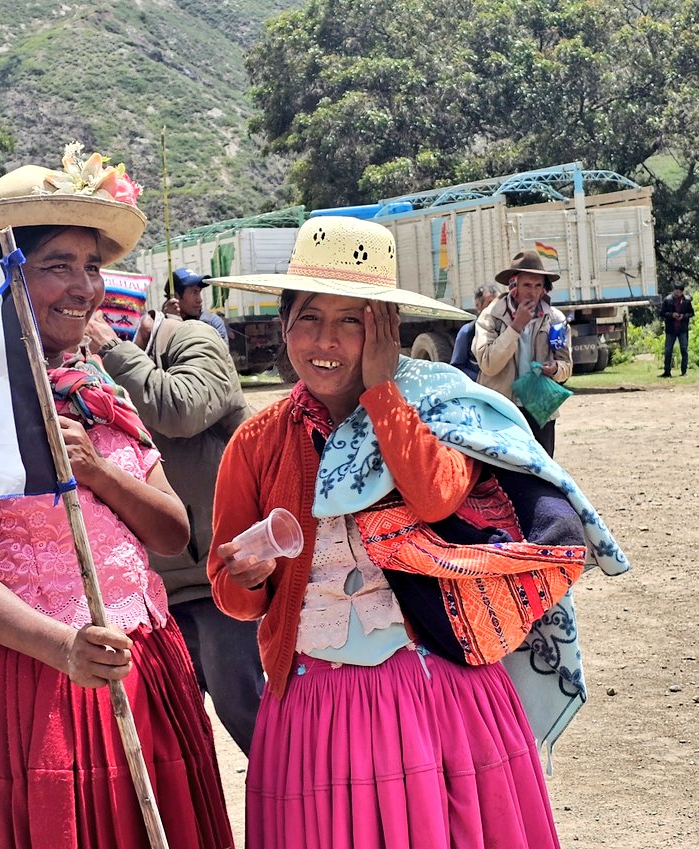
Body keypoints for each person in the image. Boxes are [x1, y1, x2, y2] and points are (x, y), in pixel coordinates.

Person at [205, 216, 628, 849]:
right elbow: (230, 589)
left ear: (384, 328)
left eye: (351, 320)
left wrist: (382, 394)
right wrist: (246, 577)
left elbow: (436, 496)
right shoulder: (259, 442)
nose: (326, 340)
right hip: (316, 705)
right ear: (284, 323)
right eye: (308, 318)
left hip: (438, 692)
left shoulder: (442, 407)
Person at [0, 147, 234, 849]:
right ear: (0, 278)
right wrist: (65, 648)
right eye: (56, 265)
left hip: (136, 666)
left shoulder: (99, 392)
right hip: (18, 685)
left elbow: (171, 533)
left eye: (91, 265)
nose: (84, 287)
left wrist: (98, 474)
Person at [85, 294, 265, 755]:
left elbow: (179, 411)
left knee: (243, 706)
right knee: (173, 728)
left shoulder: (193, 338)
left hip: (217, 576)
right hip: (158, 588)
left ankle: (294, 809)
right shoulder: (88, 372)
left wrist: (112, 350)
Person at [472, 249, 573, 456]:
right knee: (505, 476)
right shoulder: (491, 316)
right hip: (502, 409)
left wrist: (554, 369)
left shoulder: (555, 319)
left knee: (542, 474)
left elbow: (566, 367)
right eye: (527, 285)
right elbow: (488, 364)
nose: (532, 292)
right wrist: (515, 327)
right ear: (513, 286)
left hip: (540, 410)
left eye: (538, 286)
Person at [448, 281, 503, 379]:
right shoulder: (467, 332)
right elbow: (457, 368)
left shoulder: (506, 330)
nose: (495, 307)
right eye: (490, 303)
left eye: (497, 302)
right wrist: (480, 380)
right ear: (478, 306)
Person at [162, 267, 229, 343]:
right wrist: (170, 324)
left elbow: (222, 353)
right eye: (194, 292)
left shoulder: (212, 323)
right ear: (175, 296)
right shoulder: (159, 326)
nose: (199, 300)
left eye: (199, 292)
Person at [659, 281, 694, 377]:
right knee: (668, 350)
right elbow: (662, 313)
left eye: (679, 292)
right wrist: (671, 315)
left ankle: (684, 371)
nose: (677, 294)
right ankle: (667, 371)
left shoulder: (687, 300)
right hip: (671, 329)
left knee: (684, 349)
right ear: (673, 290)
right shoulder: (667, 300)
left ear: (682, 292)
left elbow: (691, 313)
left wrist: (683, 316)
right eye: (676, 291)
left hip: (682, 329)